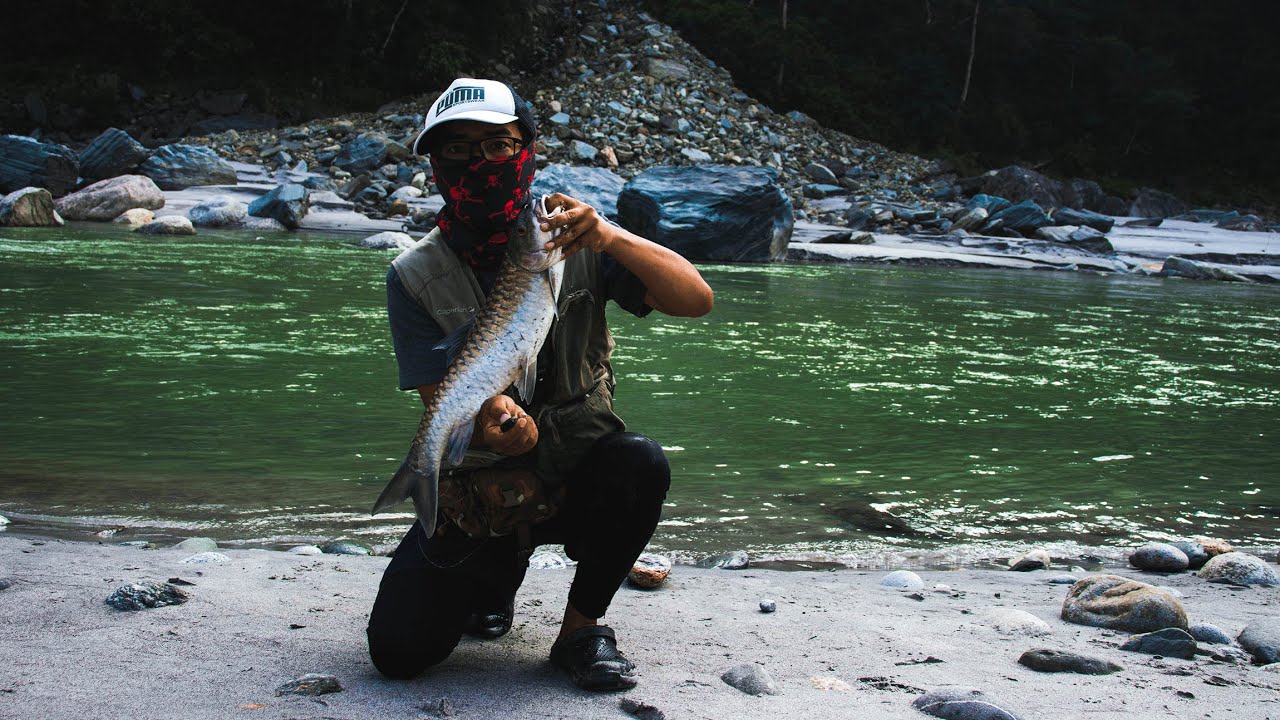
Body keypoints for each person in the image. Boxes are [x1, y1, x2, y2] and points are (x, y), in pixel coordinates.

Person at [366, 78, 714, 692]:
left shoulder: (574, 237)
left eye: (499, 146)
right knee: (398, 652)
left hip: (583, 476)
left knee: (640, 463)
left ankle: (581, 631)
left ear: (527, 147)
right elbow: (438, 396)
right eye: (457, 151)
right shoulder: (413, 275)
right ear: (434, 164)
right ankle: (494, 578)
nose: (480, 164)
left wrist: (609, 236)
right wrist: (491, 420)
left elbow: (695, 300)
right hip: (487, 493)